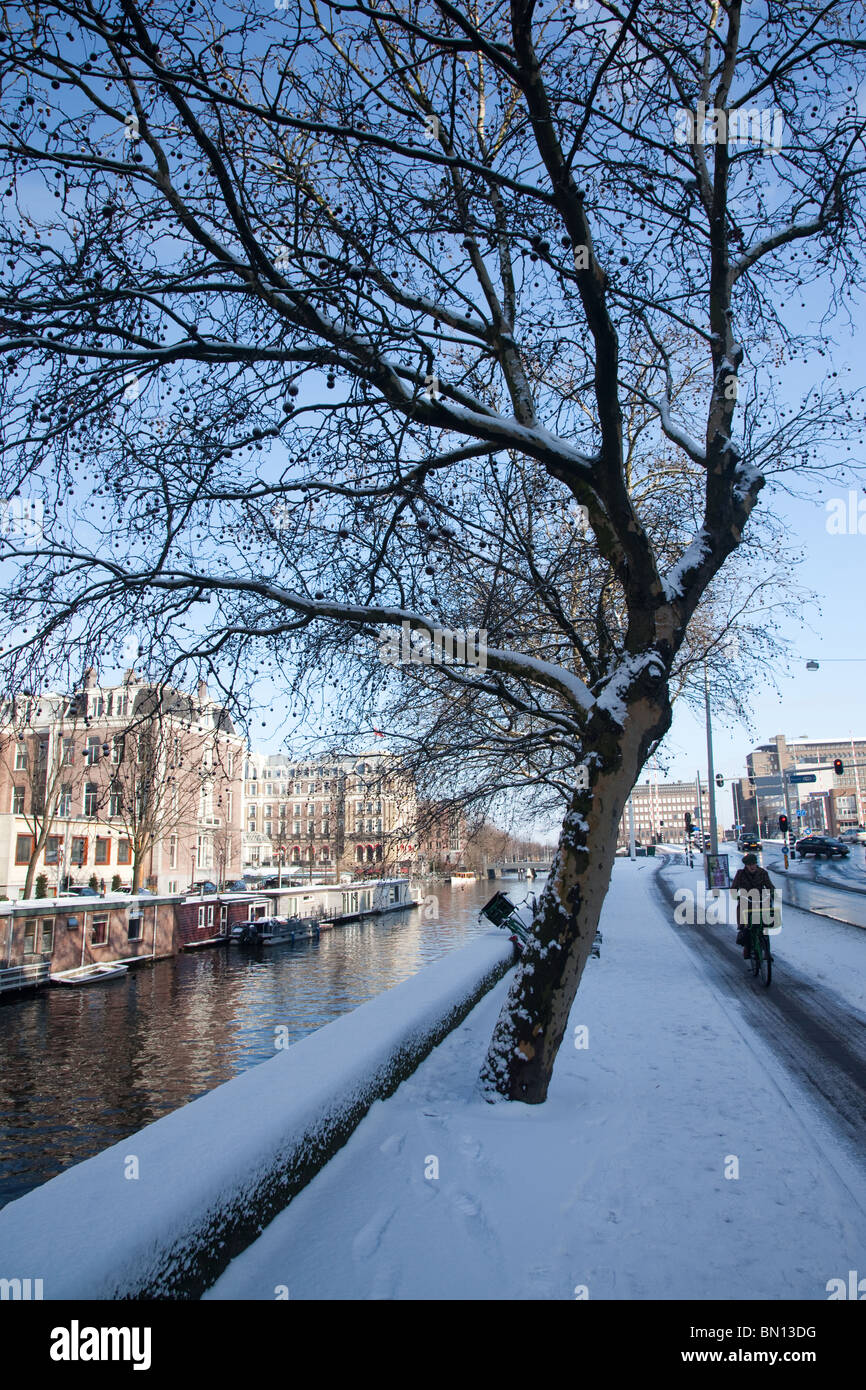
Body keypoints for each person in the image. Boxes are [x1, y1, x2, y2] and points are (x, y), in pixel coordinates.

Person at [731, 853, 775, 958]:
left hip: (760, 902)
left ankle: (767, 953)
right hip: (746, 903)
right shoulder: (740, 874)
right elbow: (734, 888)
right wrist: (737, 896)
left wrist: (772, 894)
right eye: (750, 864)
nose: (753, 866)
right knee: (746, 927)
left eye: (754, 864)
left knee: (764, 927)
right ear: (746, 865)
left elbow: (770, 886)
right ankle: (747, 948)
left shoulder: (762, 873)